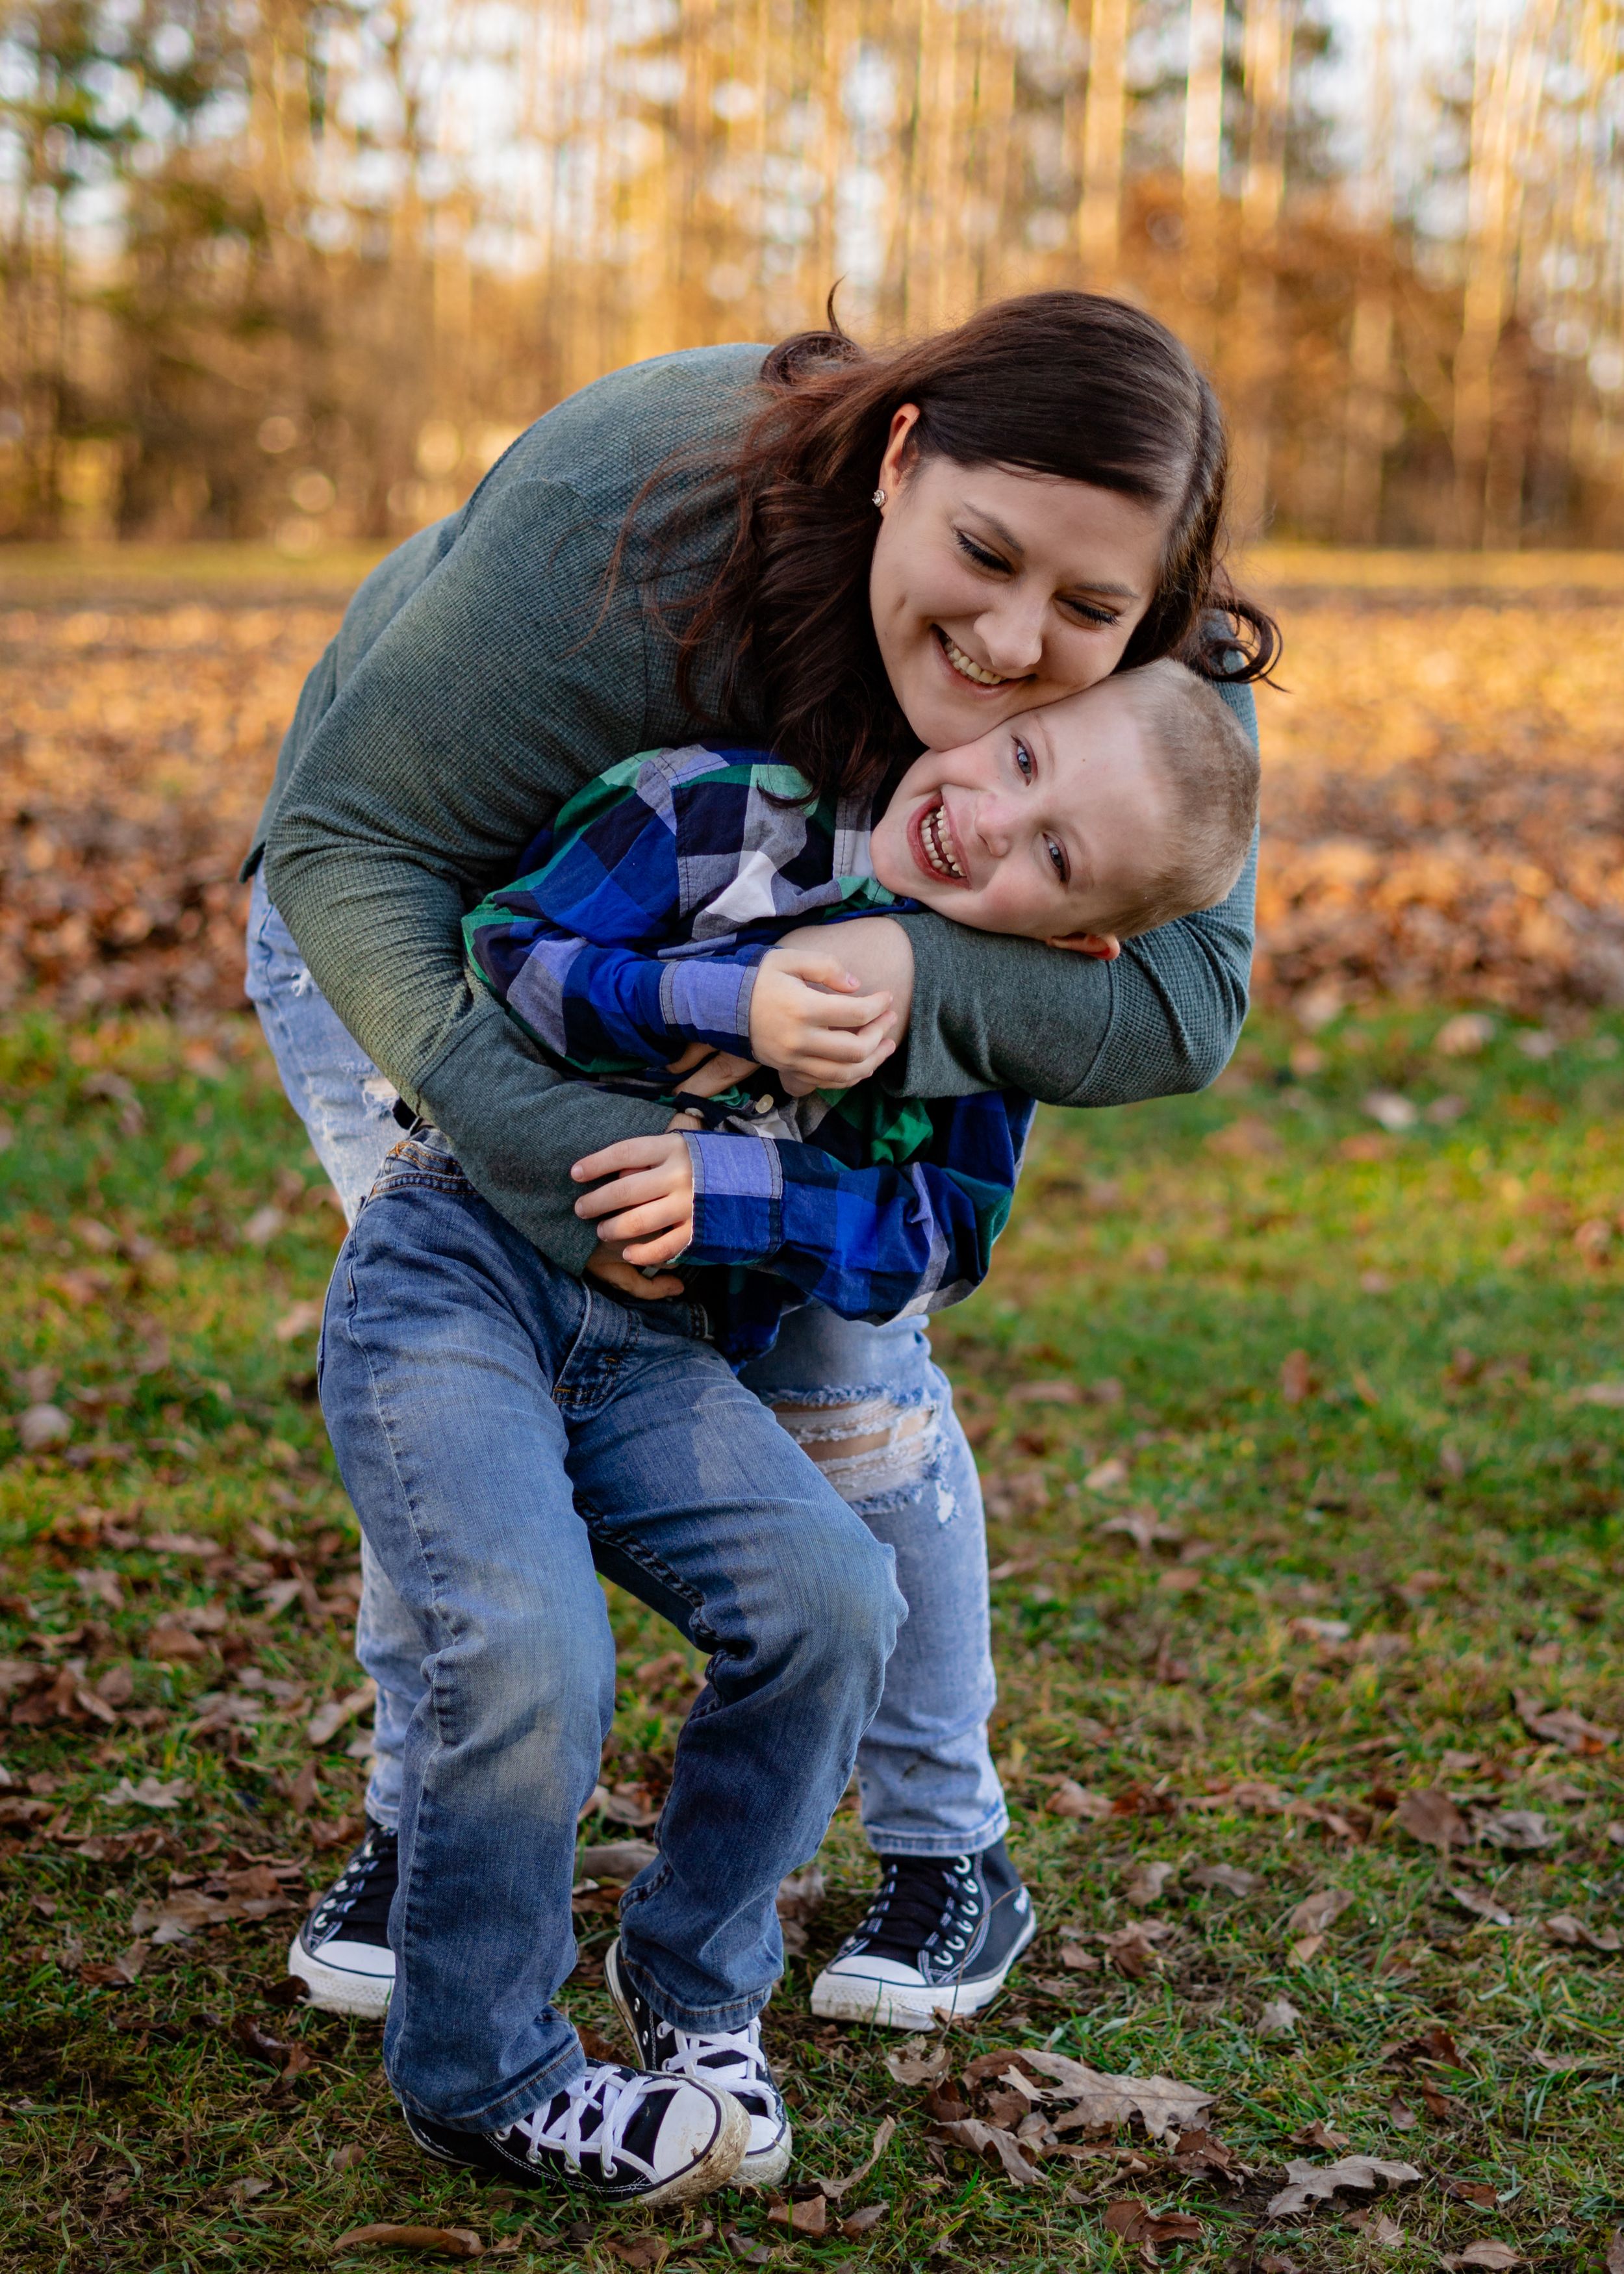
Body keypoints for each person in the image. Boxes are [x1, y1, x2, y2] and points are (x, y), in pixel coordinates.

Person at [244, 294, 1273, 2169]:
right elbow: (358, 853)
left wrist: (898, 961)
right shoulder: (630, 512)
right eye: (977, 554)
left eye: (1087, 616)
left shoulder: (1127, 701)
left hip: (815, 1017)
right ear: (899, 464)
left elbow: (1184, 1002)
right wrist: (569, 1140)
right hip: (430, 914)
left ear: (1161, 616)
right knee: (470, 1404)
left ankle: (942, 1847)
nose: (1014, 642)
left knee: (847, 1374)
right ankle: (432, 1828)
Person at [461, 659, 1260, 1364]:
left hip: (681, 1352)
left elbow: (948, 1241)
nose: (992, 823)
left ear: (1079, 940)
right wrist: (727, 1002)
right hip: (479, 1233)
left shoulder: (987, 1034)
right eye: (1022, 757)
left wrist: (748, 1194)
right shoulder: (725, 811)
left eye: (1054, 855)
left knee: (809, 1544)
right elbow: (504, 948)